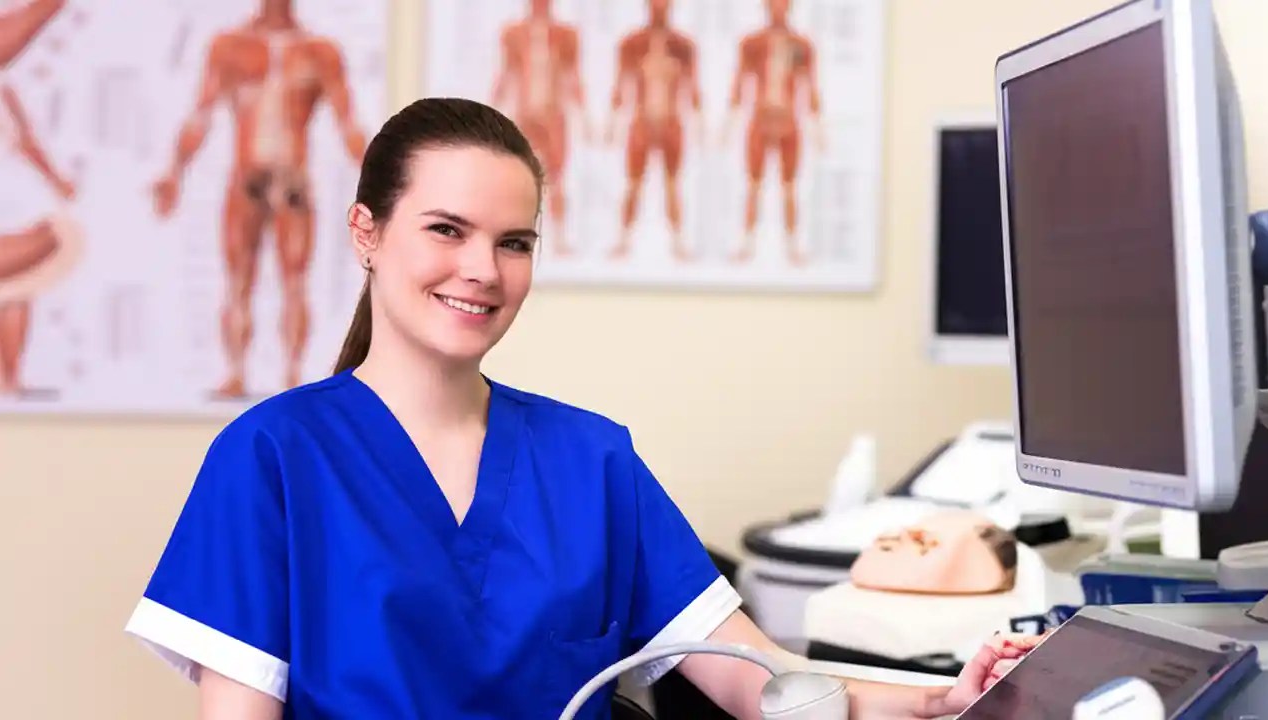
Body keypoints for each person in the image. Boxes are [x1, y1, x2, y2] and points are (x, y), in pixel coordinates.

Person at [125, 97, 1037, 719]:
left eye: (513, 242)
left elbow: (758, 681)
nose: (482, 270)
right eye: (446, 229)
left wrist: (938, 698)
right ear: (367, 233)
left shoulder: (590, 460)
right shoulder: (274, 459)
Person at [152, 0, 366, 399]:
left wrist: (382, 186)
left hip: (292, 181)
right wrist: (173, 173)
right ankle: (236, 372)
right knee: (238, 281)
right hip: (247, 177)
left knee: (295, 281)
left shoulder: (319, 52)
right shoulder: (230, 47)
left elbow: (347, 124)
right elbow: (201, 115)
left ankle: (292, 374)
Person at [0, 0, 80, 396]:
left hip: (16, 197)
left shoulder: (5, 90)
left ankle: (10, 381)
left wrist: (57, 180)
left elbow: (27, 142)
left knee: (18, 291)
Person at [725, 0, 824, 266]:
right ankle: (747, 243)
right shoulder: (753, 43)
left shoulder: (800, 45)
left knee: (789, 186)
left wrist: (818, 129)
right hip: (760, 119)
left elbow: (810, 86)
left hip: (788, 121)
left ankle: (792, 245)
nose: (778, 7)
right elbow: (739, 83)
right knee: (754, 185)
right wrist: (729, 125)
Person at [491, 0, 589, 257]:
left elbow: (572, 77)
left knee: (556, 178)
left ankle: (559, 238)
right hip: (526, 115)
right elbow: (507, 74)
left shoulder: (565, 35)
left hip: (553, 115)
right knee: (516, 178)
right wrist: (488, 111)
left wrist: (584, 117)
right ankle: (509, 237)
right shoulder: (514, 34)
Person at [606, 0, 701, 263]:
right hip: (642, 122)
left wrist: (701, 126)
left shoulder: (683, 46)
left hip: (671, 121)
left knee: (672, 184)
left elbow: (692, 88)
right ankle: (623, 240)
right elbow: (620, 85)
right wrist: (612, 124)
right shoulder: (633, 43)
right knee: (634, 183)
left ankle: (678, 241)